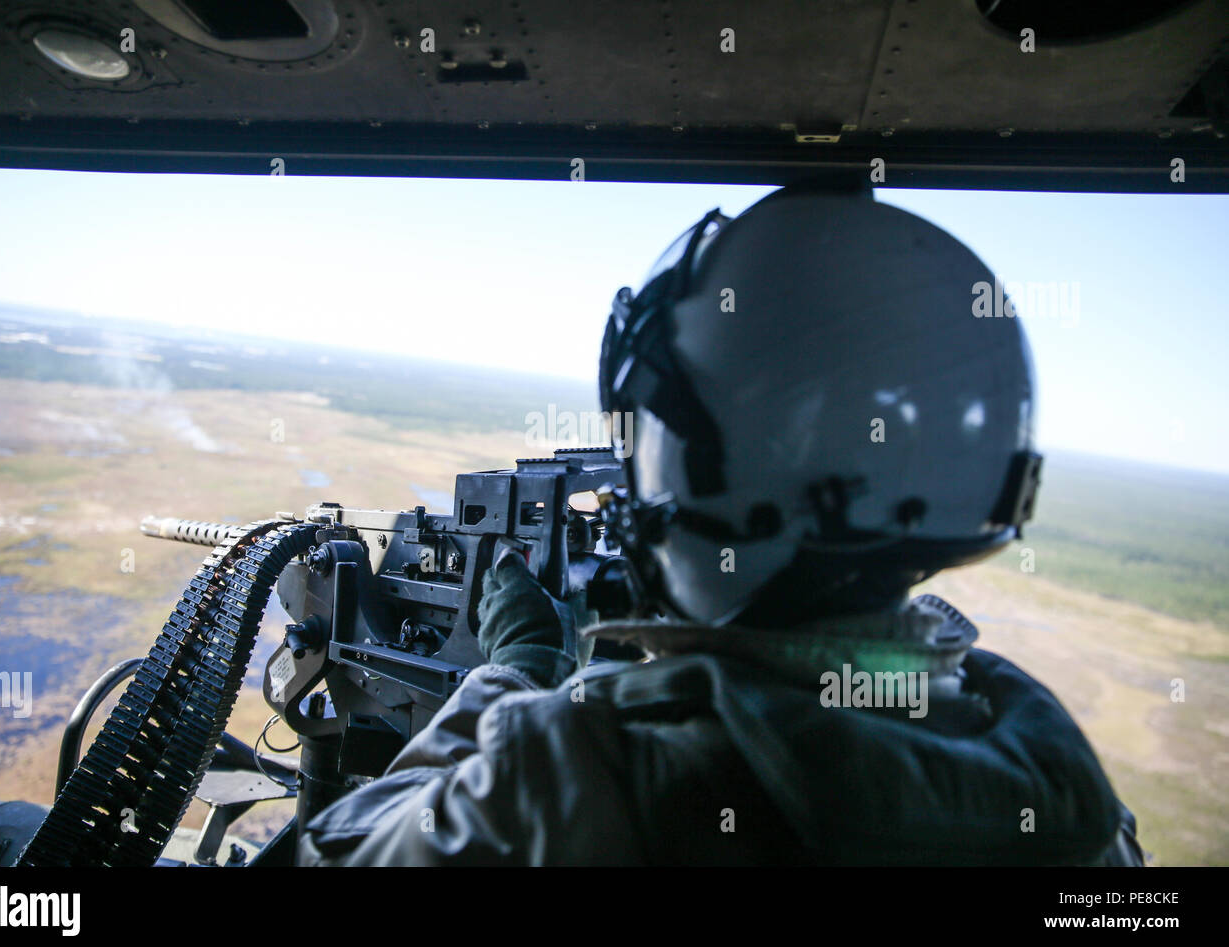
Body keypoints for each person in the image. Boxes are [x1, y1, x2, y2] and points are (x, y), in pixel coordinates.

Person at [297, 184, 1144, 866]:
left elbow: (338, 849)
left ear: (708, 469)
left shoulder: (575, 786)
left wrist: (513, 675)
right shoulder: (1074, 807)